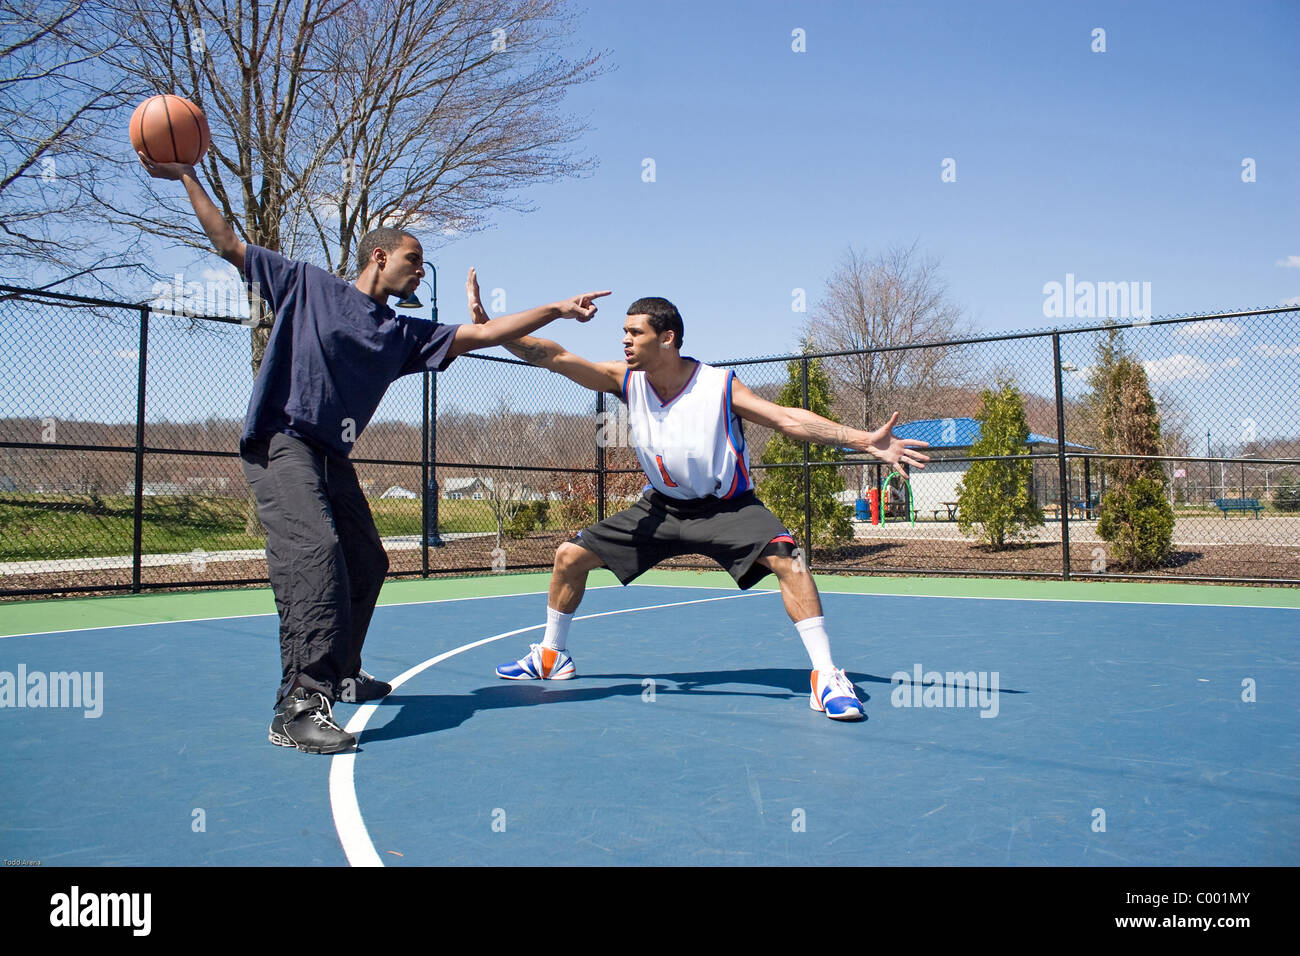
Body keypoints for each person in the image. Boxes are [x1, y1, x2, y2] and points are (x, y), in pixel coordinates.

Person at [138, 153, 609, 754]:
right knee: (318, 552)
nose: (420, 272)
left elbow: (486, 334)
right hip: (282, 442)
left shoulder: (402, 334)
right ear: (379, 257)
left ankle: (342, 672)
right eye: (414, 261)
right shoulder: (307, 284)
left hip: (332, 456)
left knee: (368, 560)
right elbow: (230, 243)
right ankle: (300, 702)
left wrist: (558, 307)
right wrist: (184, 174)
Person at [472, 285, 931, 720]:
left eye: (636, 332)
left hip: (728, 508)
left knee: (789, 560)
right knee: (569, 556)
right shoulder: (625, 380)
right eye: (624, 333)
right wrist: (494, 327)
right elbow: (552, 355)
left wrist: (863, 441)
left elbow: (787, 419)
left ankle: (827, 676)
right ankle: (552, 656)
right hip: (661, 508)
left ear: (667, 338)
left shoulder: (718, 386)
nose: (626, 340)